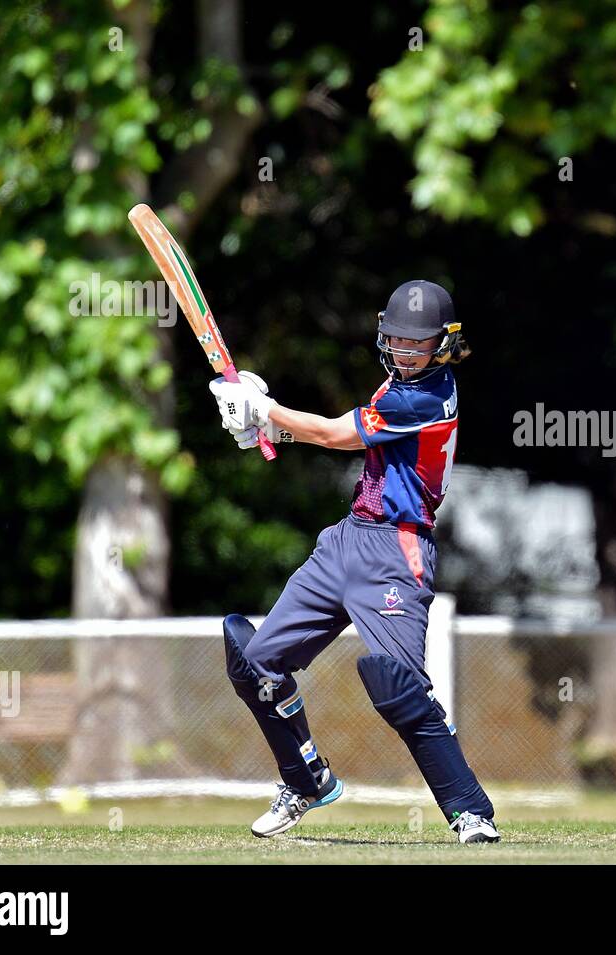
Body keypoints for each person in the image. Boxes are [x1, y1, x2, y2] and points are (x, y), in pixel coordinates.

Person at [209, 279, 499, 842]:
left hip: (396, 551)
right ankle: (306, 778)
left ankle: (470, 813)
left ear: (444, 343)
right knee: (256, 661)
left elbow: (339, 434)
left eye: (417, 343)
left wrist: (267, 409)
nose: (403, 351)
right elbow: (364, 442)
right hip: (345, 541)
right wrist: (268, 427)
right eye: (395, 339)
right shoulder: (399, 382)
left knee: (399, 687)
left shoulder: (425, 394)